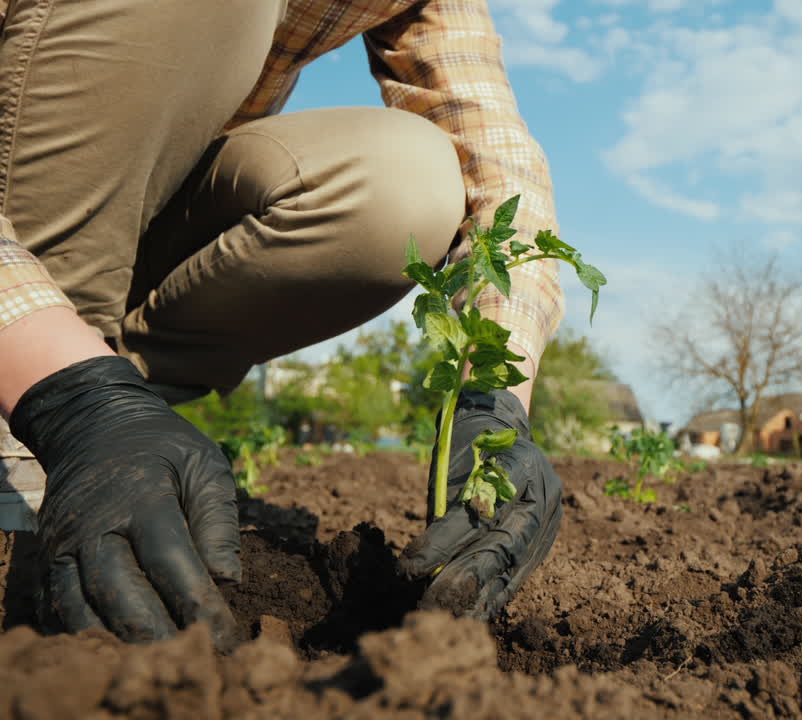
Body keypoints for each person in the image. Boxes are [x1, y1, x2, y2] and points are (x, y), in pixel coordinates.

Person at [0, 0, 565, 651]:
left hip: (145, 222)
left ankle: (118, 413)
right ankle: (41, 421)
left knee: (406, 183)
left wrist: (493, 401)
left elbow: (497, 172)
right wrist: (66, 396)